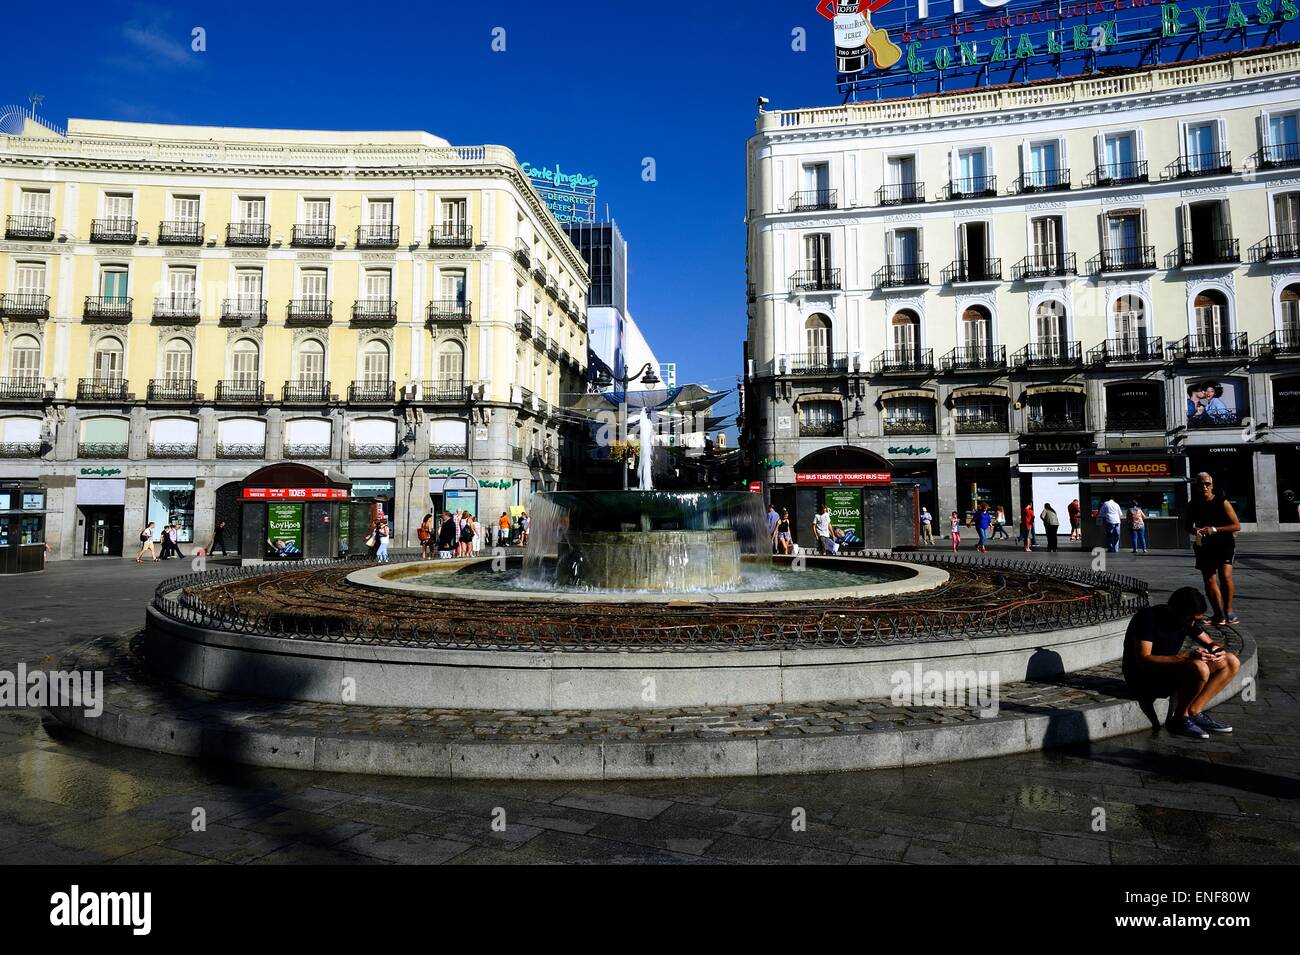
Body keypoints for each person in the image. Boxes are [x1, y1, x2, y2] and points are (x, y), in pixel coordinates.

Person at [1122, 586, 1239, 739]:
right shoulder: (1148, 618)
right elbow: (1144, 658)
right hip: (1143, 676)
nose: (1192, 624)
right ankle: (1179, 719)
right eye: (1191, 619)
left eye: (1196, 620)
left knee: (1230, 661)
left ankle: (1194, 712)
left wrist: (1216, 650)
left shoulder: (1186, 621)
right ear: (1178, 611)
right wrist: (1186, 657)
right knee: (1199, 667)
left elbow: (1210, 642)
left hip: (1167, 671)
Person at [1187, 472, 1241, 626]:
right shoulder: (1193, 504)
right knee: (1209, 579)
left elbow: (1236, 525)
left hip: (1224, 543)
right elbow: (1187, 525)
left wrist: (1214, 529)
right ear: (1196, 486)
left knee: (1225, 576)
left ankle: (1229, 611)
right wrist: (1194, 530)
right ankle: (1218, 615)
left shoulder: (1221, 502)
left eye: (1207, 484)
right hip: (1204, 545)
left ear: (1212, 485)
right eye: (1201, 484)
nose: (1204, 487)